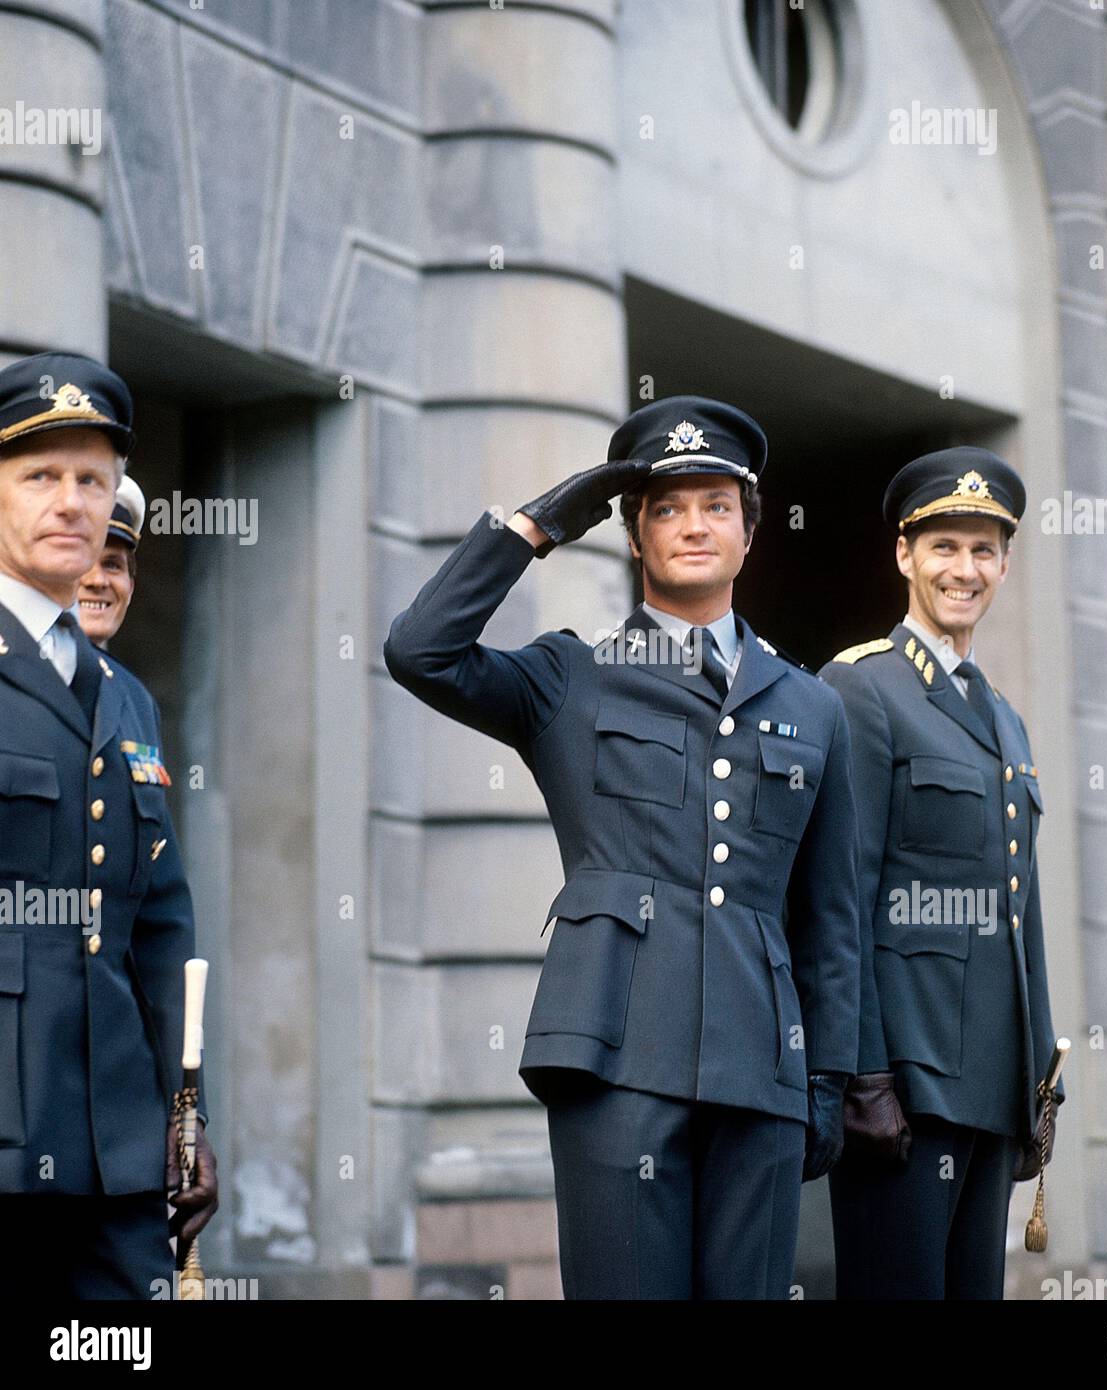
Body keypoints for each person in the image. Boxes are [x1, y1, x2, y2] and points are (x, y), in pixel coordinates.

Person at [385, 396, 860, 1299]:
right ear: (635, 534)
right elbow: (420, 650)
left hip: (763, 1067)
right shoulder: (571, 675)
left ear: (749, 534)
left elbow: (829, 914)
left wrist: (825, 1083)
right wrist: (537, 526)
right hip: (614, 1062)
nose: (693, 526)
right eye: (667, 508)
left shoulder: (813, 706)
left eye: (717, 505)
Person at [821, 446, 1064, 1300]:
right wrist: (865, 1075)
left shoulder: (1005, 719)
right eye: (944, 547)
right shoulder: (862, 690)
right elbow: (838, 896)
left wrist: (1037, 1083)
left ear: (1002, 563)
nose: (966, 569)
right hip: (907, 1090)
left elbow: (1019, 914)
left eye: (984, 550)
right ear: (904, 555)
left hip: (991, 1086)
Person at [0, 352, 217, 1298]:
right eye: (40, 476)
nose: (72, 502)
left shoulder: (116, 694)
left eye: (94, 480)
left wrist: (184, 1117)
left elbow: (156, 926)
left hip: (116, 1148)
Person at [77, 474, 145, 648]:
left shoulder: (121, 675)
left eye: (112, 565)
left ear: (130, 588)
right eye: (81, 561)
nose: (97, 580)